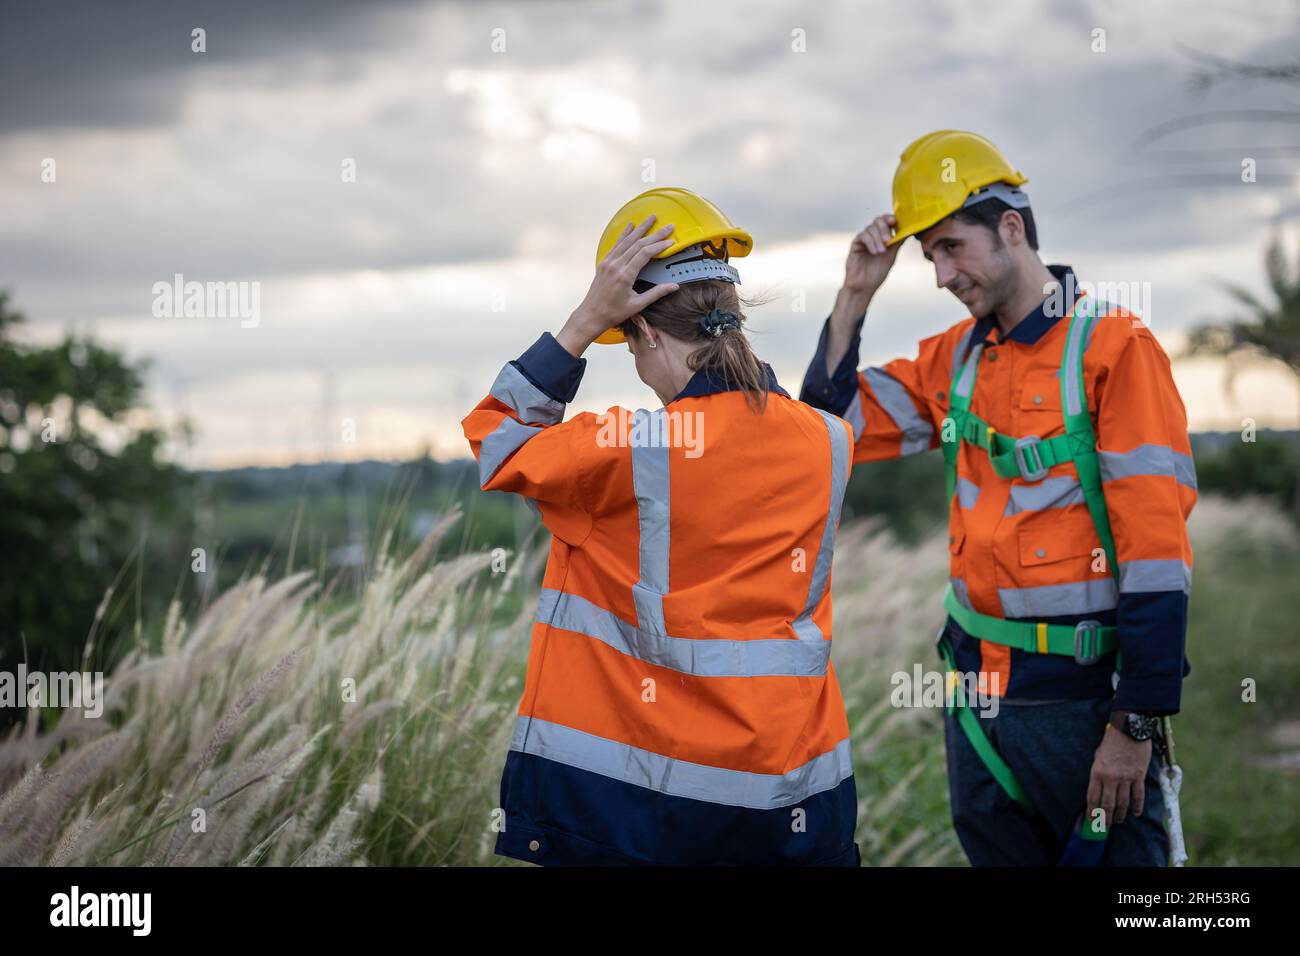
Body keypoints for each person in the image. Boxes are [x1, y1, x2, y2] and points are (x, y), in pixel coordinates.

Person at [800, 131, 1195, 866]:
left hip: (1083, 710)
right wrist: (855, 294)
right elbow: (829, 427)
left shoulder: (1115, 347)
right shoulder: (954, 357)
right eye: (931, 258)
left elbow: (1157, 553)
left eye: (952, 247)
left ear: (1011, 227)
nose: (944, 274)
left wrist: (1133, 726)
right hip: (975, 707)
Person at [462, 187, 860, 866]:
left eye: (629, 347)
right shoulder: (827, 439)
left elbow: (497, 441)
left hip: (651, 811)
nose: (640, 371)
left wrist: (585, 321)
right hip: (803, 800)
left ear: (643, 330)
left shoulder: (627, 449)